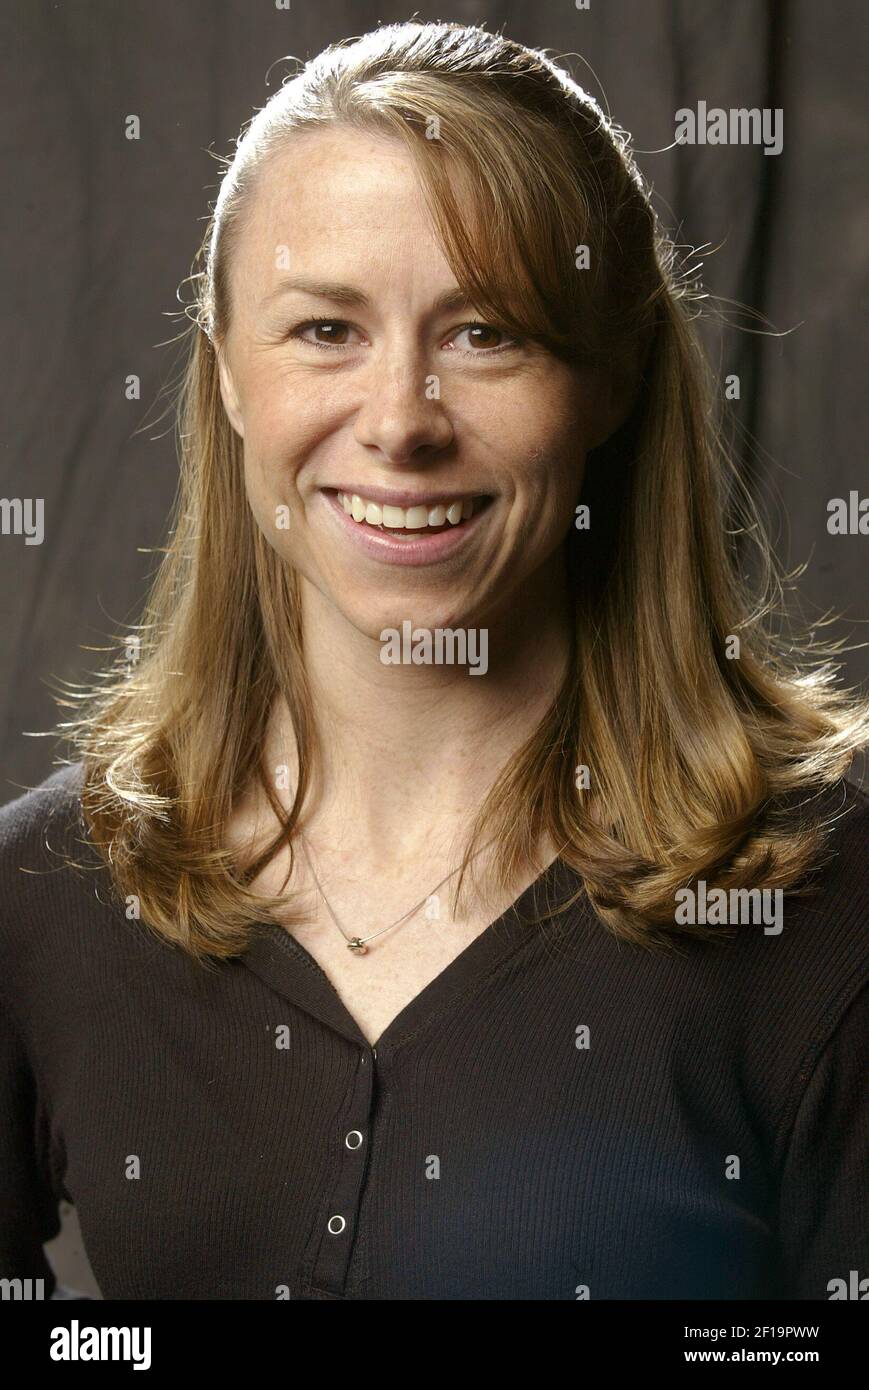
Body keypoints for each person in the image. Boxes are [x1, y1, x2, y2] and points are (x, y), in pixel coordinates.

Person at [1, 19, 867, 1302]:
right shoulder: (47, 896)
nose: (400, 421)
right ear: (229, 373)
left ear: (612, 379)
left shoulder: (828, 903)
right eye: (324, 331)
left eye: (486, 333)